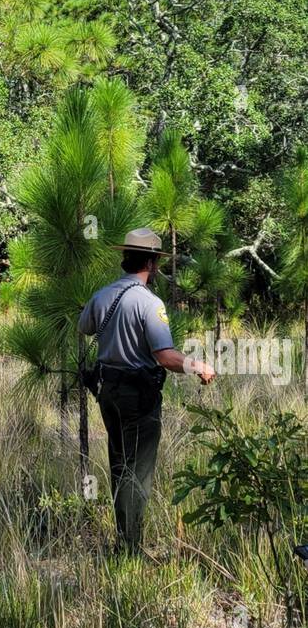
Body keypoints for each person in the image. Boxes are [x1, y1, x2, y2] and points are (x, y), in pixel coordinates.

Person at [78, 227, 216, 554]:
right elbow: (165, 356)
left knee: (119, 464)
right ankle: (130, 548)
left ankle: (124, 536)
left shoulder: (103, 295)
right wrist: (201, 367)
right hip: (137, 395)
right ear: (152, 263)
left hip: (107, 390)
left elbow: (84, 327)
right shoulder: (149, 303)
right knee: (136, 473)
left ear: (126, 259)